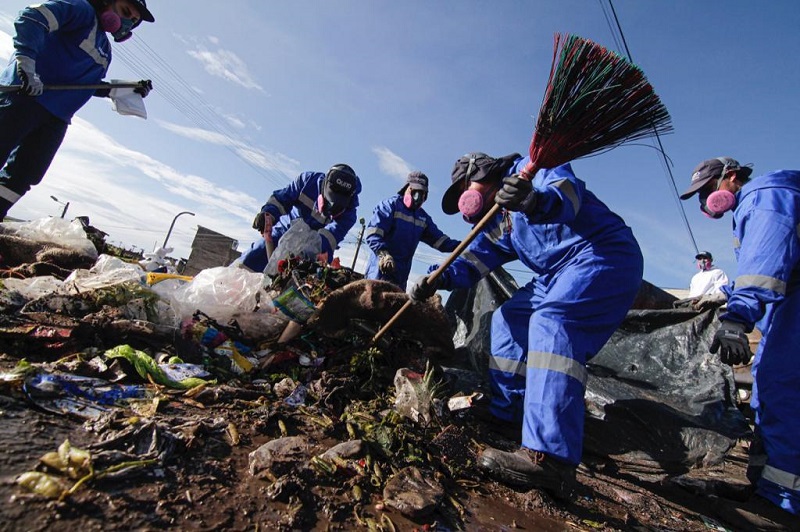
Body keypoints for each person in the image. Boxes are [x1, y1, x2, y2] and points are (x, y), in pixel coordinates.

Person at [410, 151, 643, 498]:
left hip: (600, 254)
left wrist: (532, 199)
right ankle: (509, 410)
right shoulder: (498, 219)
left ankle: (550, 458)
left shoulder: (535, 171)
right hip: (556, 273)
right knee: (508, 320)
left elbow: (569, 196)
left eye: (464, 188)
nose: (464, 200)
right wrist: (435, 279)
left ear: (482, 172)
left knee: (553, 322)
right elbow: (473, 261)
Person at [680, 156, 799, 516]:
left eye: (706, 192)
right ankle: (769, 487)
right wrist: (725, 293)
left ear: (731, 177)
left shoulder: (767, 196)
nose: (704, 203)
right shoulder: (757, 205)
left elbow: (765, 268)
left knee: (784, 390)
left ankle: (783, 504)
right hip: (787, 309)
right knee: (770, 387)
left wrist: (737, 317)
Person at [0, 0, 155, 219]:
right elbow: (33, 17)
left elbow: (87, 85)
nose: (128, 22)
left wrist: (125, 89)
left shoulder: (105, 51)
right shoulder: (80, 10)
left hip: (56, 119)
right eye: (125, 12)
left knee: (23, 176)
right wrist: (26, 65)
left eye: (134, 21)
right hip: (24, 98)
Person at [241, 164, 362, 273]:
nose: (332, 206)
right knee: (254, 256)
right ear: (325, 185)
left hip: (315, 250)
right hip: (285, 232)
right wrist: (268, 214)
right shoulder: (307, 181)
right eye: (330, 201)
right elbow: (281, 199)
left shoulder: (349, 215)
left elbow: (328, 239)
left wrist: (305, 254)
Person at [364, 171, 459, 290]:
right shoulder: (390, 206)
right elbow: (374, 233)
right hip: (378, 273)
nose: (418, 197)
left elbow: (441, 242)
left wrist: (465, 244)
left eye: (422, 193)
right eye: (415, 192)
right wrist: (383, 254)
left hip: (400, 279)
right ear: (406, 188)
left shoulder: (423, 219)